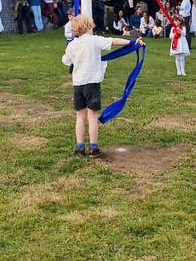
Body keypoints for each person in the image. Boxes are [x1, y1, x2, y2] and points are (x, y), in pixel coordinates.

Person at [61, 13, 144, 157]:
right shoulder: (94, 40)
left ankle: (79, 147)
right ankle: (93, 147)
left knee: (80, 116)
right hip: (92, 84)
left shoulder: (72, 45)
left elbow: (66, 61)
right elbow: (113, 41)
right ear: (88, 26)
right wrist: (132, 43)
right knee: (92, 115)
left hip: (78, 85)